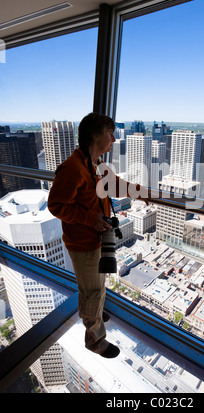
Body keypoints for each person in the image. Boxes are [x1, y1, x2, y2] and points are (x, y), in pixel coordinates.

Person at [48, 113, 149, 358]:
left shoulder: (95, 164)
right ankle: (95, 339)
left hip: (96, 238)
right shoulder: (73, 168)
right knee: (92, 290)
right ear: (95, 135)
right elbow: (56, 205)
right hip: (83, 243)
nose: (114, 139)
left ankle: (94, 312)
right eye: (110, 134)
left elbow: (114, 185)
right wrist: (90, 219)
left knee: (95, 285)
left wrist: (143, 192)